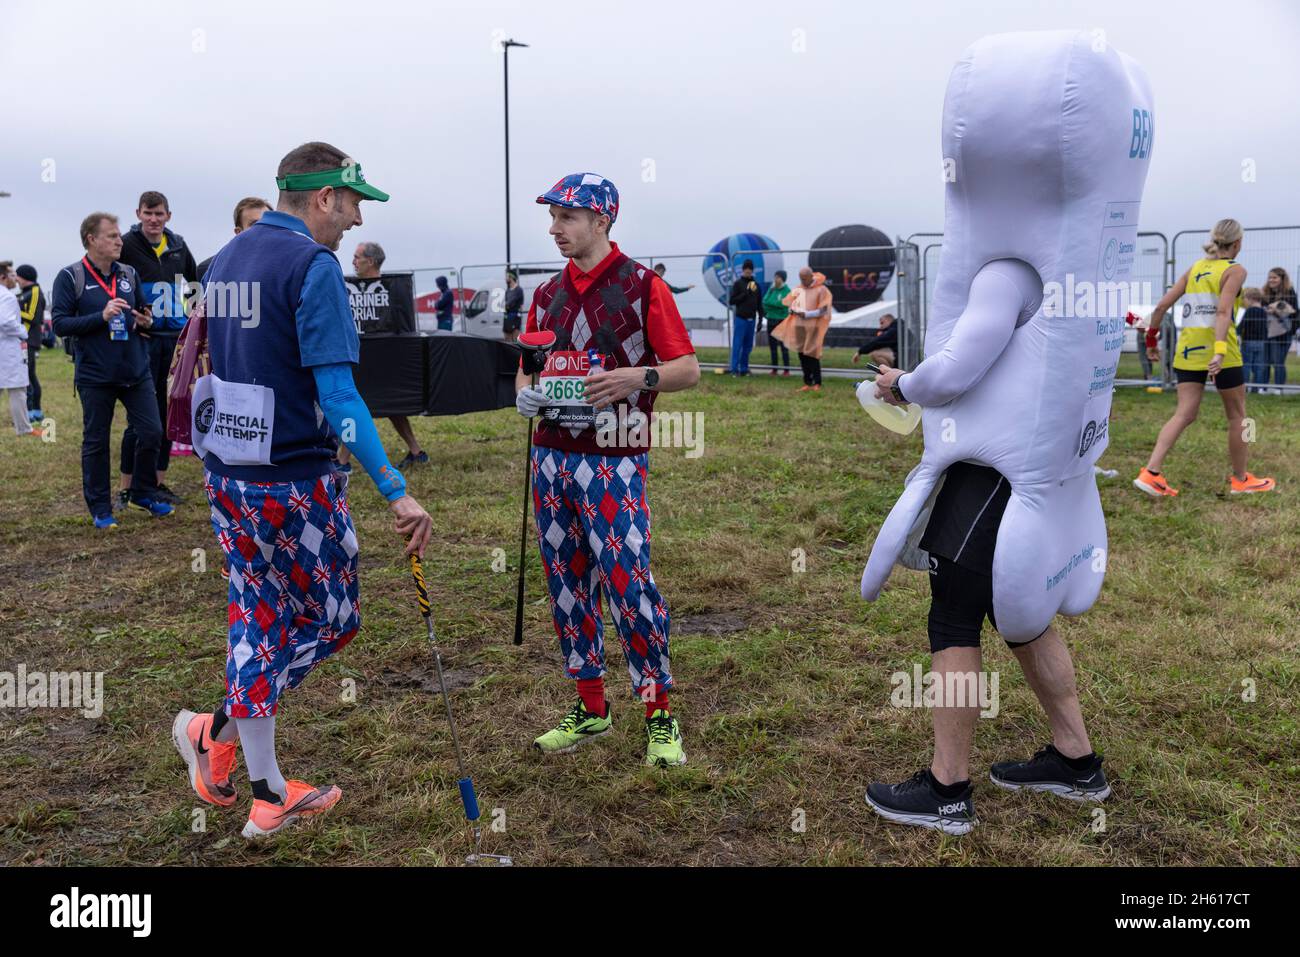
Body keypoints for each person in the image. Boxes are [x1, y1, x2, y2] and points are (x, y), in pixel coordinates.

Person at [170, 141, 432, 839]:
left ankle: (262, 784)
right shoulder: (312, 266)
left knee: (258, 619)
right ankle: (217, 731)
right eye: (351, 204)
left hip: (228, 475)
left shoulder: (226, 257)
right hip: (293, 478)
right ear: (323, 198)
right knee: (330, 619)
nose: (354, 221)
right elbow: (340, 393)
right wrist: (395, 487)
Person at [514, 171, 700, 767]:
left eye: (566, 217)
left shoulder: (644, 287)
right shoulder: (545, 294)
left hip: (615, 459)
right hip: (550, 456)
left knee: (629, 582)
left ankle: (659, 715)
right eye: (552, 217)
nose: (554, 228)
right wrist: (525, 391)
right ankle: (591, 708)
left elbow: (688, 368)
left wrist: (634, 377)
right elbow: (528, 365)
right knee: (566, 583)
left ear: (602, 220)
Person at [1135, 219, 1275, 497]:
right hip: (1221, 352)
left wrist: (1151, 339)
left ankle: (1150, 473)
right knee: (1240, 417)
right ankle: (1241, 479)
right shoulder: (1235, 270)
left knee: (1184, 413)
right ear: (1238, 243)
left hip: (1187, 350)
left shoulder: (1195, 268)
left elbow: (1162, 305)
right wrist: (1220, 351)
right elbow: (1223, 313)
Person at [51, 213, 173, 528]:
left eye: (119, 236)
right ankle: (101, 508)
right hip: (95, 375)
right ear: (92, 239)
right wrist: (101, 317)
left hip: (135, 369)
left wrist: (145, 320)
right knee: (96, 441)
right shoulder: (70, 276)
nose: (120, 241)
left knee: (152, 432)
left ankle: (142, 492)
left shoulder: (128, 274)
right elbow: (61, 324)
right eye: (112, 236)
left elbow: (141, 314)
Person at [117, 191, 199, 507]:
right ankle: (126, 488)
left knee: (168, 414)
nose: (153, 219)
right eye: (148, 213)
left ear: (168, 215)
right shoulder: (126, 245)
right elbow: (114, 286)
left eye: (159, 214)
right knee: (140, 416)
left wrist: (193, 321)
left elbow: (194, 285)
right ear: (138, 213)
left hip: (174, 340)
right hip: (143, 341)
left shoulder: (178, 245)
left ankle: (157, 483)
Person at [335, 240, 428, 470]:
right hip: (358, 359)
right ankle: (343, 460)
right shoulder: (346, 288)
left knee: (387, 407)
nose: (353, 261)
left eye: (358, 257)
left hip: (386, 360)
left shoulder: (393, 289)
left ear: (372, 261)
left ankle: (342, 461)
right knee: (358, 406)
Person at [772, 267, 833, 391]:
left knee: (812, 355)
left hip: (814, 327)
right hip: (799, 326)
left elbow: (824, 309)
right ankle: (807, 381)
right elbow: (790, 303)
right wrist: (793, 310)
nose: (803, 281)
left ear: (811, 276)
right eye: (801, 279)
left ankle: (817, 382)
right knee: (802, 354)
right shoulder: (799, 289)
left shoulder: (822, 290)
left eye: (805, 279)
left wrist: (808, 314)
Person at [0, 264, 38, 437]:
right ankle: (24, 428)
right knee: (17, 388)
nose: (15, 278)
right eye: (12, 274)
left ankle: (24, 427)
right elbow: (6, 322)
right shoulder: (6, 296)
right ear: (3, 277)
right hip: (7, 348)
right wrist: (22, 331)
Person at [197, 196, 272, 280]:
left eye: (267, 222)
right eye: (256, 224)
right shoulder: (209, 269)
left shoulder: (285, 262)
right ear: (239, 232)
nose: (264, 228)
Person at [15, 264, 47, 420]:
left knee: (28, 376)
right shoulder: (23, 293)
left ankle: (34, 411)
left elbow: (33, 316)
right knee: (27, 374)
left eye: (18, 276)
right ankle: (33, 410)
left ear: (25, 277)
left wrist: (11, 311)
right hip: (22, 340)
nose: (16, 280)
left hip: (29, 340)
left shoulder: (35, 291)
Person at [1261, 267, 1297, 391]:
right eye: (1270, 277)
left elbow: (1293, 312)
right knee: (1264, 362)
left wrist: (1276, 309)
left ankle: (1278, 389)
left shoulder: (1289, 292)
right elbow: (1262, 308)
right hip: (1266, 332)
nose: (1271, 280)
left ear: (1282, 279)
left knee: (1278, 362)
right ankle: (1262, 388)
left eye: (1274, 277)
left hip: (1283, 333)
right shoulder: (1264, 292)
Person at [726, 259, 761, 375]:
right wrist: (745, 294)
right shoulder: (738, 284)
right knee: (737, 345)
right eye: (746, 270)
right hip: (741, 319)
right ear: (743, 270)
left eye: (750, 270)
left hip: (752, 319)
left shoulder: (756, 285)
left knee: (748, 346)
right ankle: (734, 369)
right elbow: (732, 301)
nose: (748, 272)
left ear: (752, 271)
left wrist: (760, 319)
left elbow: (759, 303)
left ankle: (744, 369)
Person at [1236, 287, 1270, 391]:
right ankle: (1256, 388)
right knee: (1258, 366)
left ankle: (1244, 387)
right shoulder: (1264, 312)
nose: (1244, 301)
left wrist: (1237, 333)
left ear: (1251, 298)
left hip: (1248, 341)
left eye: (1244, 298)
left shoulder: (1249, 311)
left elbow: (1242, 325)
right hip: (1261, 343)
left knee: (1246, 365)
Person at [760, 269, 792, 375]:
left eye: (777, 277)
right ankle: (774, 369)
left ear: (782, 279)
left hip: (782, 321)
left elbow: (783, 304)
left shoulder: (787, 290)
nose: (775, 279)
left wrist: (772, 305)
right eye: (775, 277)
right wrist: (774, 304)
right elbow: (765, 301)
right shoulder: (771, 289)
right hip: (771, 320)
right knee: (772, 346)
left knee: (784, 347)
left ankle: (786, 370)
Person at [502, 270, 524, 342]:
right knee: (507, 340)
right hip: (507, 319)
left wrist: (507, 306)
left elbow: (510, 304)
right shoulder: (507, 291)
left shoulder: (518, 290)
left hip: (515, 319)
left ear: (511, 277)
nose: (505, 279)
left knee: (515, 340)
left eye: (507, 277)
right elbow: (506, 304)